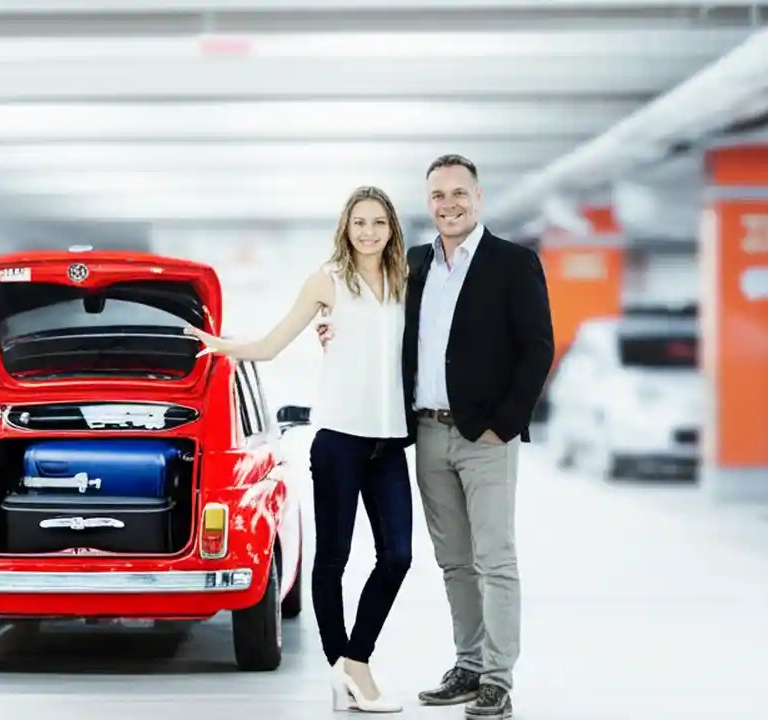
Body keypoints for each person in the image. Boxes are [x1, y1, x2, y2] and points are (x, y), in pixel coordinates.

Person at [317, 154, 554, 720]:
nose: (448, 204)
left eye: (458, 194)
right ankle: (468, 666)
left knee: (494, 559)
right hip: (424, 431)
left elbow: (538, 348)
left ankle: (497, 678)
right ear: (428, 204)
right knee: (453, 561)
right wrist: (332, 326)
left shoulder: (512, 262)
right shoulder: (413, 266)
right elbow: (372, 315)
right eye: (438, 196)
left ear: (478, 197)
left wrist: (504, 423)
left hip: (485, 437)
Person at [184, 185, 413, 713]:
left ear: (392, 229)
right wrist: (222, 345)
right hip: (338, 440)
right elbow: (271, 344)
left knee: (396, 557)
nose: (369, 231)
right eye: (360, 222)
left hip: (389, 442)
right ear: (346, 227)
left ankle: (355, 662)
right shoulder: (326, 282)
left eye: (379, 222)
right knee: (332, 557)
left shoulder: (405, 280)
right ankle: (345, 667)